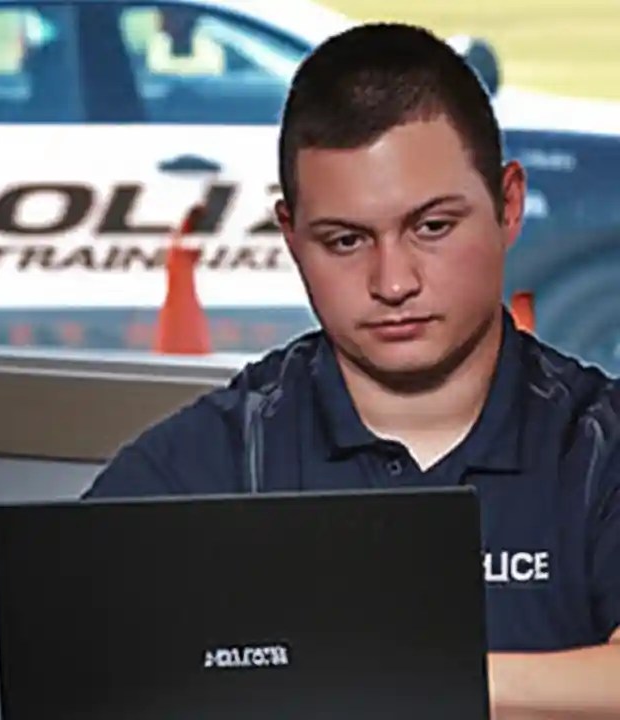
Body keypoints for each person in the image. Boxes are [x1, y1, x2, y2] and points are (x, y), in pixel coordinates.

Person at [83, 22, 620, 719]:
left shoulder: (600, 449)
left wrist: (399, 681)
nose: (392, 282)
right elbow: (77, 673)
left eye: (432, 227)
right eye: (345, 240)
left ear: (508, 204)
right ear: (291, 236)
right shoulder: (212, 461)